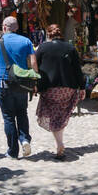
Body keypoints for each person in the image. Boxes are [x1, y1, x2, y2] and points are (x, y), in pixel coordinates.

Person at [32, 24, 85, 160]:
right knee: (60, 116)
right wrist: (82, 87)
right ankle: (59, 142)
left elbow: (35, 66)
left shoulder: (42, 47)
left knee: (55, 116)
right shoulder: (70, 47)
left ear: (48, 34)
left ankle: (59, 144)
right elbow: (77, 70)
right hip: (68, 88)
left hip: (49, 88)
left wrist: (35, 85)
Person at [0, 16, 35, 159]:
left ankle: (13, 151)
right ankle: (25, 139)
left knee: (8, 117)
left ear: (4, 27)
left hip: (3, 82)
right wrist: (34, 78)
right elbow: (33, 63)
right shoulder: (26, 41)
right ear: (17, 27)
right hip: (21, 83)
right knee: (22, 113)